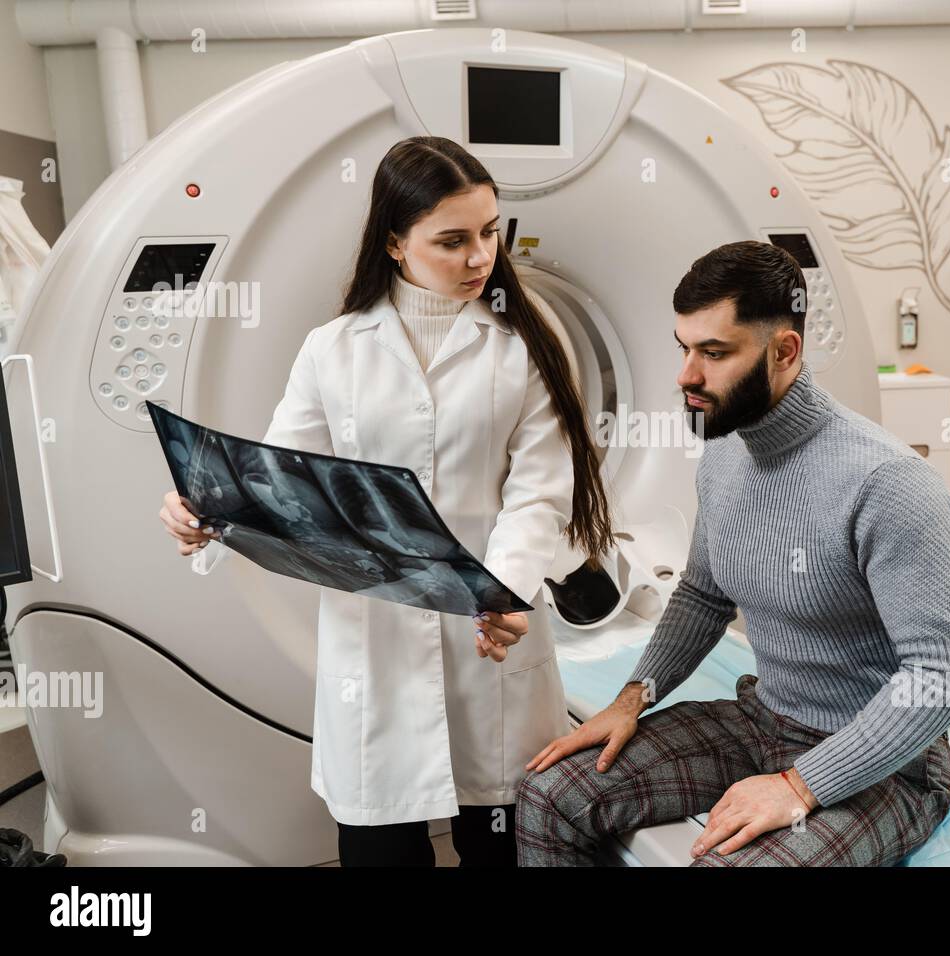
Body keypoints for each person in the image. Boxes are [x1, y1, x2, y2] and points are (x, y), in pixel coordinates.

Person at [158, 136, 613, 867]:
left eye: (491, 233)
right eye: (452, 240)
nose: (479, 258)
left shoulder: (523, 344)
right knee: (380, 851)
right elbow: (280, 482)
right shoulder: (332, 349)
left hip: (490, 635)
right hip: (373, 638)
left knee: (499, 848)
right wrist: (203, 508)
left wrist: (505, 592)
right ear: (397, 245)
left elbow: (538, 494)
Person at [516, 241, 950, 866]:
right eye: (684, 348)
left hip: (886, 765)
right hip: (763, 719)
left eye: (714, 353)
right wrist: (632, 697)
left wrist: (799, 786)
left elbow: (944, 676)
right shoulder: (726, 452)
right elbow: (704, 596)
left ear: (784, 351)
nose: (686, 375)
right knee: (549, 796)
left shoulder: (889, 486)